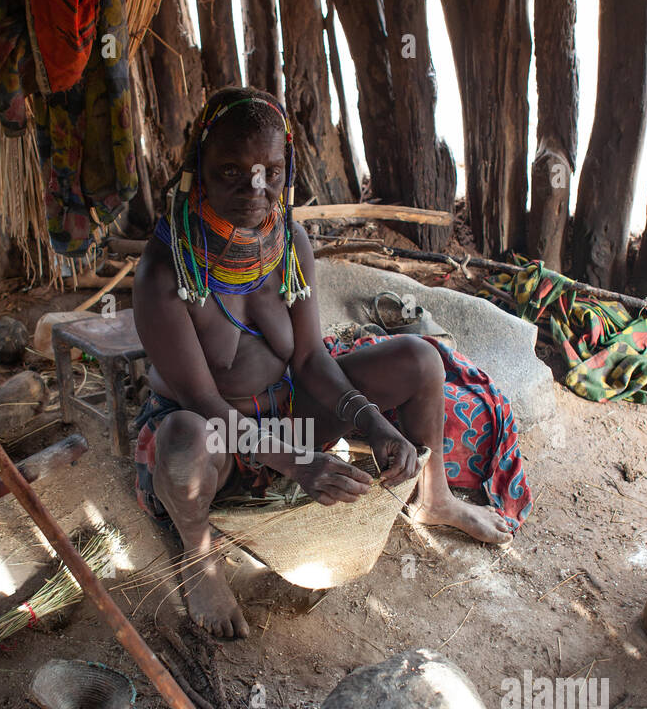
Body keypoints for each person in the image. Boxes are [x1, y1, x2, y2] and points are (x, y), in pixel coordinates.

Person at [133, 87, 512, 639]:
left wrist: (374, 424)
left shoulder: (290, 245)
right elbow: (206, 404)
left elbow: (310, 359)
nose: (255, 190)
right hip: (216, 440)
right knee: (184, 439)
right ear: (199, 170)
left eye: (271, 170)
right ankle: (200, 558)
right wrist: (301, 464)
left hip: (291, 415)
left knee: (421, 359)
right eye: (232, 171)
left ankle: (435, 497)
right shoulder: (167, 269)